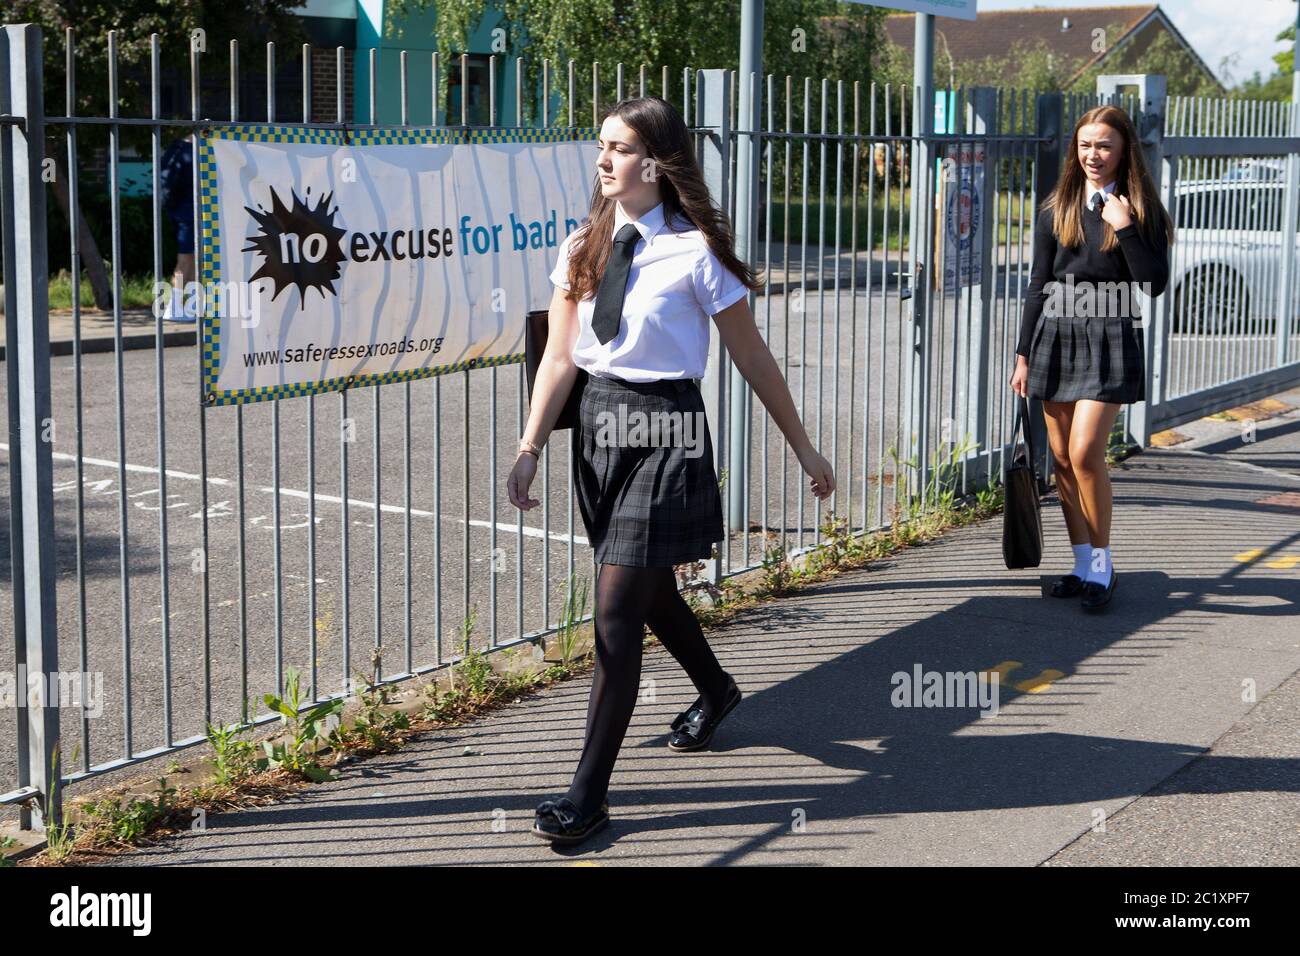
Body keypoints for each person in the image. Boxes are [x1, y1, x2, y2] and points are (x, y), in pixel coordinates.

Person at [507, 95, 835, 846]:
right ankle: (716, 690)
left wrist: (804, 447)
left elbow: (752, 358)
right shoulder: (582, 246)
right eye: (601, 147)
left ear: (654, 162)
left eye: (618, 149)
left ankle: (587, 797)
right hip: (599, 427)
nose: (602, 161)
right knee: (647, 590)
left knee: (617, 612)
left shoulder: (696, 253)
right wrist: (529, 448)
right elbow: (559, 358)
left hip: (667, 431)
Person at [1010, 105, 1173, 612]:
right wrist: (1021, 353)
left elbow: (1154, 284)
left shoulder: (1139, 209)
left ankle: (1103, 564)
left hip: (1110, 335)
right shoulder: (1056, 206)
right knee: (1059, 458)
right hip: (1055, 335)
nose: (1092, 155)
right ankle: (1082, 563)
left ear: (1124, 150)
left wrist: (1123, 225)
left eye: (1103, 145)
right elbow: (1039, 283)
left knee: (1084, 455)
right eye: (1085, 145)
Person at [158, 133, 197, 322]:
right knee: (186, 260)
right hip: (187, 214)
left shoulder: (177, 150)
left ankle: (191, 305)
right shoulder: (184, 151)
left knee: (195, 260)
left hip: (187, 213)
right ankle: (173, 306)